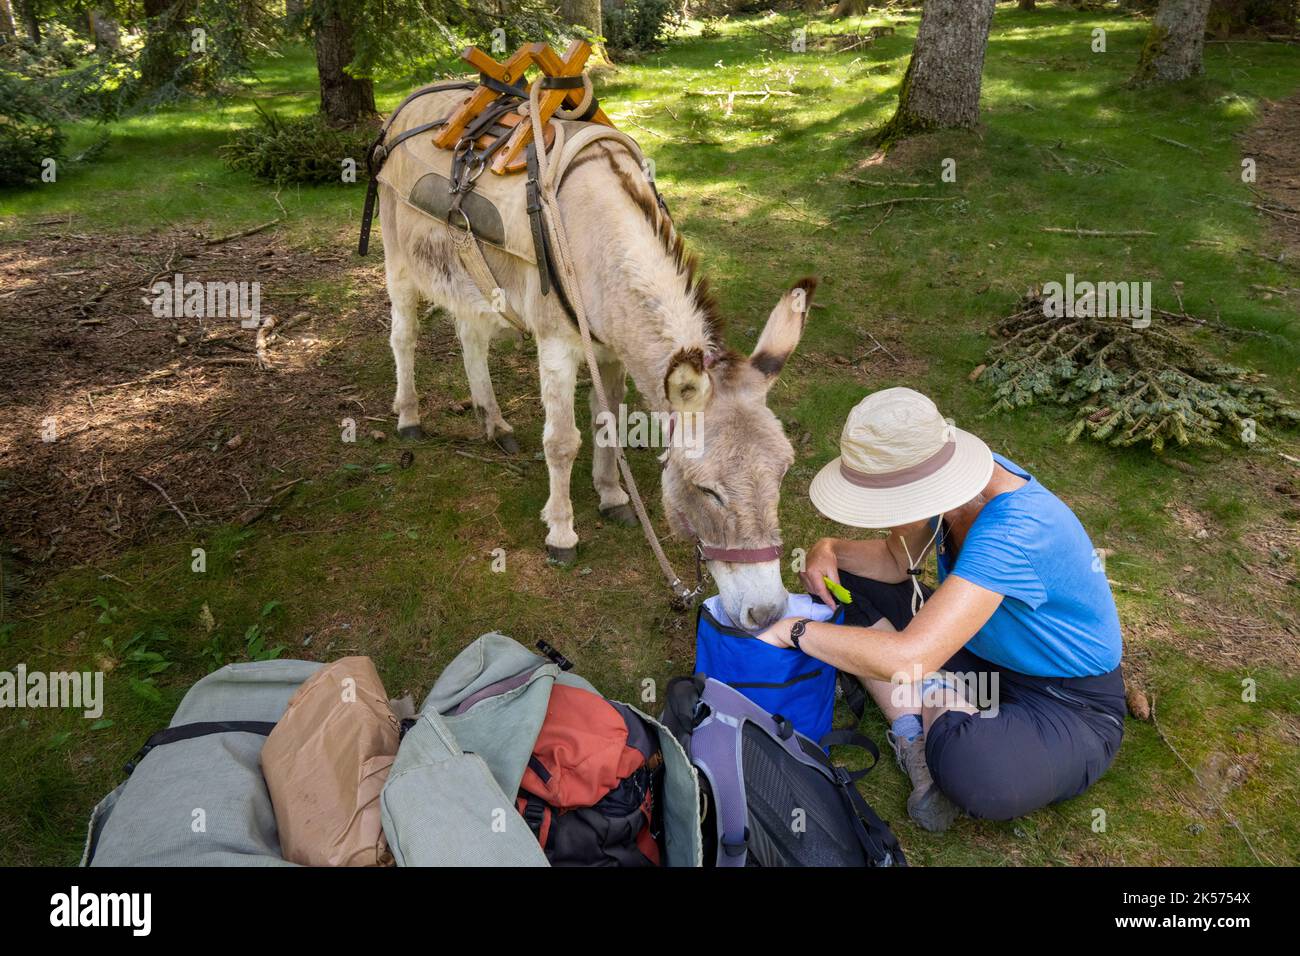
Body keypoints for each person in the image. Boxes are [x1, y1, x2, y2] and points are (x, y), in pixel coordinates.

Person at [758, 387, 1125, 831]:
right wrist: (828, 547)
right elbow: (897, 563)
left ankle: (933, 703)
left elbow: (907, 659)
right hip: (981, 646)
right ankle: (920, 729)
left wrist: (793, 630)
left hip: (1067, 700)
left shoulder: (1016, 530)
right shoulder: (954, 494)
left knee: (978, 774)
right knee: (842, 583)